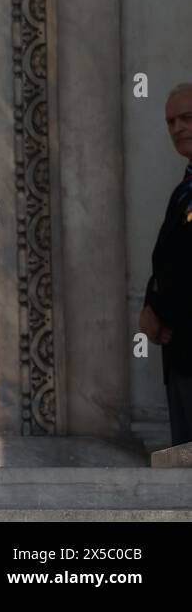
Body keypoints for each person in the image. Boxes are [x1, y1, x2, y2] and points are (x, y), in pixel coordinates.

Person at [139, 83, 192, 447]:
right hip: (182, 356)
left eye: (187, 118)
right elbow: (166, 258)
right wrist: (149, 308)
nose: (178, 128)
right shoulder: (182, 191)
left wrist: (160, 309)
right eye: (171, 122)